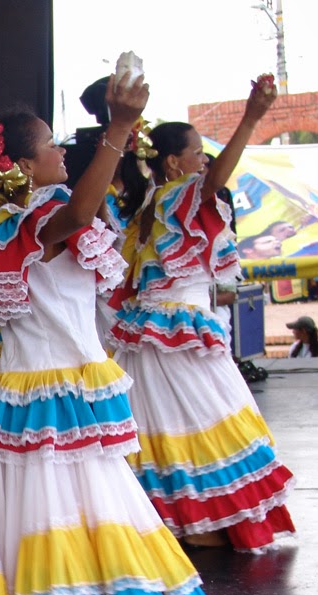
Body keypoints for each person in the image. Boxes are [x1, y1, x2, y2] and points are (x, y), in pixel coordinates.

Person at [0, 78, 237, 595]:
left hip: (33, 389)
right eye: (49, 143)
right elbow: (81, 215)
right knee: (66, 520)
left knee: (40, 525)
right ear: (22, 165)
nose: (62, 149)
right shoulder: (34, 218)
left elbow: (83, 218)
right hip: (49, 392)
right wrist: (119, 129)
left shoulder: (7, 223)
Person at [112, 78, 294, 552]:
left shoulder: (149, 206)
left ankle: (185, 524)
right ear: (174, 162)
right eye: (198, 152)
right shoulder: (177, 195)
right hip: (179, 335)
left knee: (171, 430)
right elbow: (216, 181)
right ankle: (210, 524)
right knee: (210, 422)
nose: (205, 161)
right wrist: (251, 118)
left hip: (156, 335)